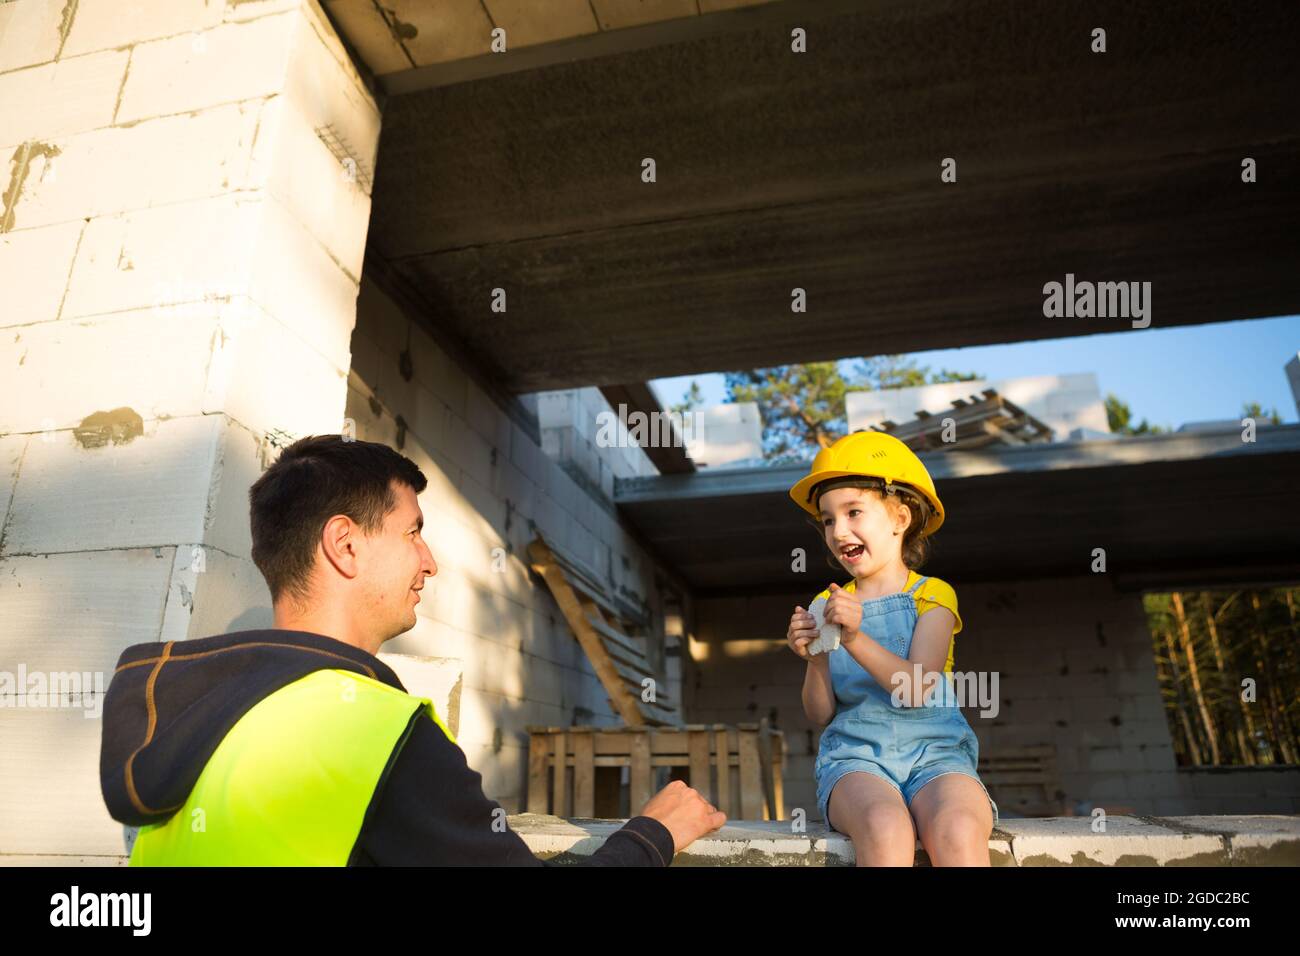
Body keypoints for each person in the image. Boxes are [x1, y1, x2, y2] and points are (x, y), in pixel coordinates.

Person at [99, 435, 725, 865]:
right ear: (345, 545)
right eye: (414, 532)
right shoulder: (372, 731)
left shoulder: (196, 711)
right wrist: (652, 834)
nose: (429, 562)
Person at [785, 431, 998, 866]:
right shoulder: (827, 604)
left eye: (853, 512)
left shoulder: (933, 596)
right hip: (856, 759)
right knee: (885, 825)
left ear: (900, 517)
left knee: (957, 828)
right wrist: (817, 660)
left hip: (937, 755)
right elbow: (819, 714)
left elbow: (917, 687)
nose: (838, 530)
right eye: (828, 519)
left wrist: (853, 639)